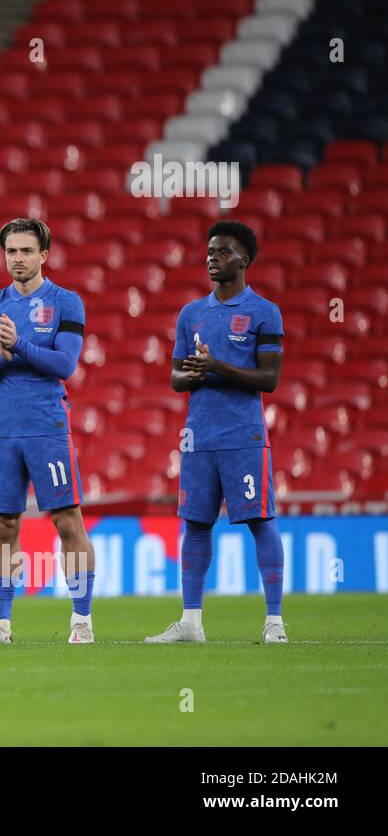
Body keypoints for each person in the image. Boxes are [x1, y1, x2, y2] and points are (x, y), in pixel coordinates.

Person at [147, 220, 286, 645]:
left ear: (244, 259)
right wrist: (194, 372)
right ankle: (191, 623)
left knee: (260, 520)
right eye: (210, 251)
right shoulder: (191, 314)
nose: (213, 258)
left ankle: (274, 621)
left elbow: (268, 379)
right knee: (196, 523)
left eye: (223, 251)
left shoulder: (264, 312)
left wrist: (215, 368)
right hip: (199, 436)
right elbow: (175, 378)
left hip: (243, 434)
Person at [0, 217, 96, 645]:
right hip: (3, 429)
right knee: (3, 524)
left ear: (43, 255)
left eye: (25, 251)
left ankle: (81, 621)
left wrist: (17, 345)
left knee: (66, 520)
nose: (17, 259)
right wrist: (4, 357)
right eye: (10, 251)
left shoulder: (66, 302)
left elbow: (64, 365)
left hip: (47, 426)